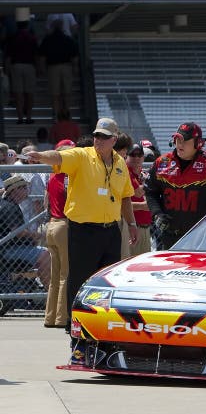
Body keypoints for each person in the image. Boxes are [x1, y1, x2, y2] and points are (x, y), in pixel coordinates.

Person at [26, 118, 137, 344]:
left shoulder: (119, 163)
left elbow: (126, 196)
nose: (98, 139)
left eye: (104, 136)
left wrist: (132, 224)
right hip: (84, 231)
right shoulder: (82, 155)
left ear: (114, 139)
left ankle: (103, 328)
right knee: (79, 281)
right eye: (96, 135)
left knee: (108, 282)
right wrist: (40, 156)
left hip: (111, 231)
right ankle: (75, 327)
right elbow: (59, 157)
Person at [144, 122, 206, 250]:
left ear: (198, 143)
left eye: (185, 141)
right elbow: (150, 191)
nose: (179, 144)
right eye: (177, 139)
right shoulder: (161, 163)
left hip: (202, 237)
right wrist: (157, 214)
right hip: (167, 235)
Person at [43, 139, 75, 328]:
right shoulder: (67, 178)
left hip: (52, 224)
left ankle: (50, 316)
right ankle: (62, 317)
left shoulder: (52, 177)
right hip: (64, 224)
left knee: (55, 275)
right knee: (65, 274)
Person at [0, 175, 51, 291]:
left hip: (8, 248)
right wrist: (37, 235)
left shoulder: (6, 203)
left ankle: (34, 286)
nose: (27, 190)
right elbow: (18, 233)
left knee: (41, 251)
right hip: (6, 251)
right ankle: (50, 292)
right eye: (23, 188)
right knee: (45, 255)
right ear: (14, 190)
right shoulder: (10, 208)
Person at [38, 19, 79, 117]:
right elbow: (74, 56)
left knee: (55, 94)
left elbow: (42, 57)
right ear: (62, 27)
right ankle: (66, 113)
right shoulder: (68, 39)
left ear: (52, 27)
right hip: (66, 67)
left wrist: (42, 68)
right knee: (67, 92)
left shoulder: (47, 40)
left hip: (53, 68)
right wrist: (75, 67)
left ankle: (56, 115)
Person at [3, 21, 37, 124]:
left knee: (18, 93)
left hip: (16, 65)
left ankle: (20, 117)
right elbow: (36, 54)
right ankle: (29, 117)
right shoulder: (32, 38)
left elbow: (8, 56)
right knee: (29, 93)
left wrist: (7, 70)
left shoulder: (12, 38)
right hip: (29, 65)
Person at [125, 143, 153, 258]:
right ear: (126, 156)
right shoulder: (125, 172)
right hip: (131, 228)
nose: (136, 158)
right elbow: (121, 204)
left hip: (146, 228)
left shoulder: (142, 173)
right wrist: (143, 206)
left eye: (139, 155)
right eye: (132, 154)